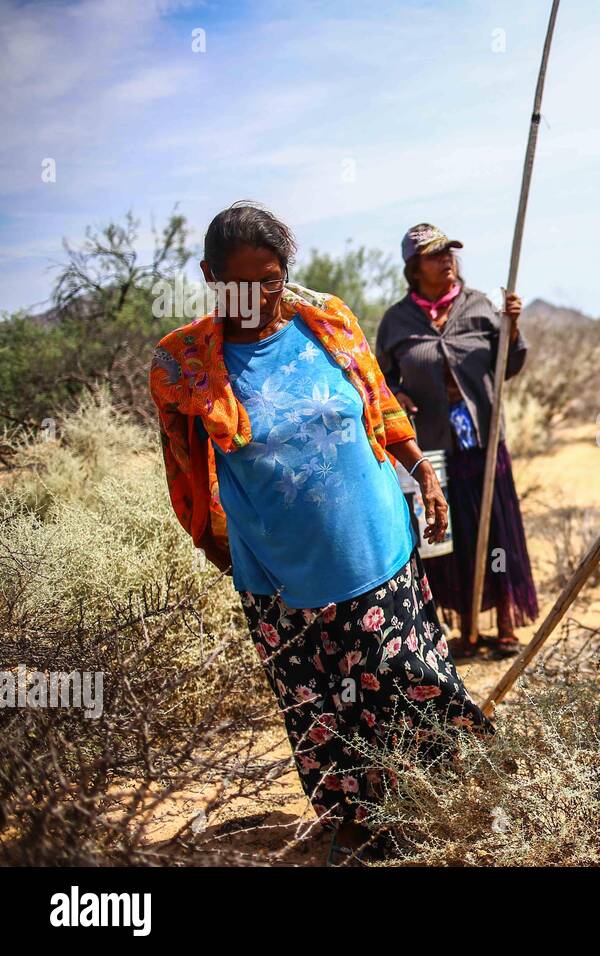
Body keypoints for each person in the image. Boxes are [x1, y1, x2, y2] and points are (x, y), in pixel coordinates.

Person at [149, 202, 489, 864]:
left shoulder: (328, 322)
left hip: (378, 549)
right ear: (207, 275)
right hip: (281, 574)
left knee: (414, 685)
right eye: (234, 282)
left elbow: (381, 406)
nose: (254, 297)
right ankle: (359, 830)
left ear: (286, 273)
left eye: (270, 278)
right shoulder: (182, 365)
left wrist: (424, 473)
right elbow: (185, 470)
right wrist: (213, 541)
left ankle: (446, 808)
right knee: (321, 713)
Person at [376, 224, 539, 659]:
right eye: (434, 255)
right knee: (447, 536)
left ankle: (504, 625)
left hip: (484, 441)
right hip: (431, 446)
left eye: (449, 252)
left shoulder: (480, 306)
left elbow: (509, 364)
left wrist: (513, 327)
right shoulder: (397, 321)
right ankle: (461, 628)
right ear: (414, 268)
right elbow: (381, 381)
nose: (446, 259)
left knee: (496, 529)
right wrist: (400, 396)